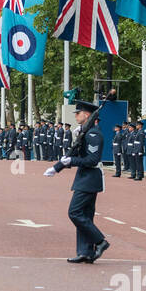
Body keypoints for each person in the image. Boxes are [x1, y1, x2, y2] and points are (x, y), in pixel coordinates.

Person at [44, 99, 109, 264]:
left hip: (90, 178)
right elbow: (75, 154)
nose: (76, 116)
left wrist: (70, 161)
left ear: (86, 115)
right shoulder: (84, 133)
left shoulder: (94, 134)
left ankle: (100, 241)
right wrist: (58, 167)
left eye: (78, 113)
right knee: (85, 215)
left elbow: (92, 160)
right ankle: (85, 252)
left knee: (74, 212)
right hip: (85, 177)